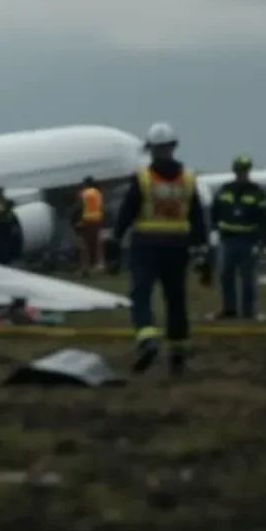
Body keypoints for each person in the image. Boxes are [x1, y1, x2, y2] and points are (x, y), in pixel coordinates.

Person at [112, 122, 210, 377]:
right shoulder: (188, 179)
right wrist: (202, 249)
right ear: (173, 147)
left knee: (141, 294)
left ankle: (148, 339)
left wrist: (115, 239)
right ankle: (178, 357)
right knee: (176, 301)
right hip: (177, 248)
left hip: (146, 246)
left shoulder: (143, 179)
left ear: (151, 149)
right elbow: (198, 216)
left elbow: (127, 212)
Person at [209, 155, 266, 321]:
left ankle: (249, 312)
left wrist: (264, 242)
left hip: (248, 240)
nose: (242, 173)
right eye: (240, 170)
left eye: (245, 170)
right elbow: (214, 212)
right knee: (225, 276)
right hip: (227, 240)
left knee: (248, 279)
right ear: (235, 171)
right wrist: (213, 231)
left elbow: (265, 218)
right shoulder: (224, 190)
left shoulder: (257, 193)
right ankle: (229, 310)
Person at [71, 177, 104, 275]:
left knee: (84, 245)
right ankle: (98, 265)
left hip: (86, 220)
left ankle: (85, 267)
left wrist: (75, 221)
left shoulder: (83, 194)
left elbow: (79, 207)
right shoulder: (98, 194)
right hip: (97, 220)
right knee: (95, 244)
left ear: (85, 184)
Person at [0, 186, 20, 264]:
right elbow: (0, 211)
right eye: (0, 192)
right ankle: (3, 259)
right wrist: (8, 206)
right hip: (1, 226)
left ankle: (7, 257)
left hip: (6, 225)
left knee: (7, 243)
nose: (1, 193)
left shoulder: (3, 200)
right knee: (2, 244)